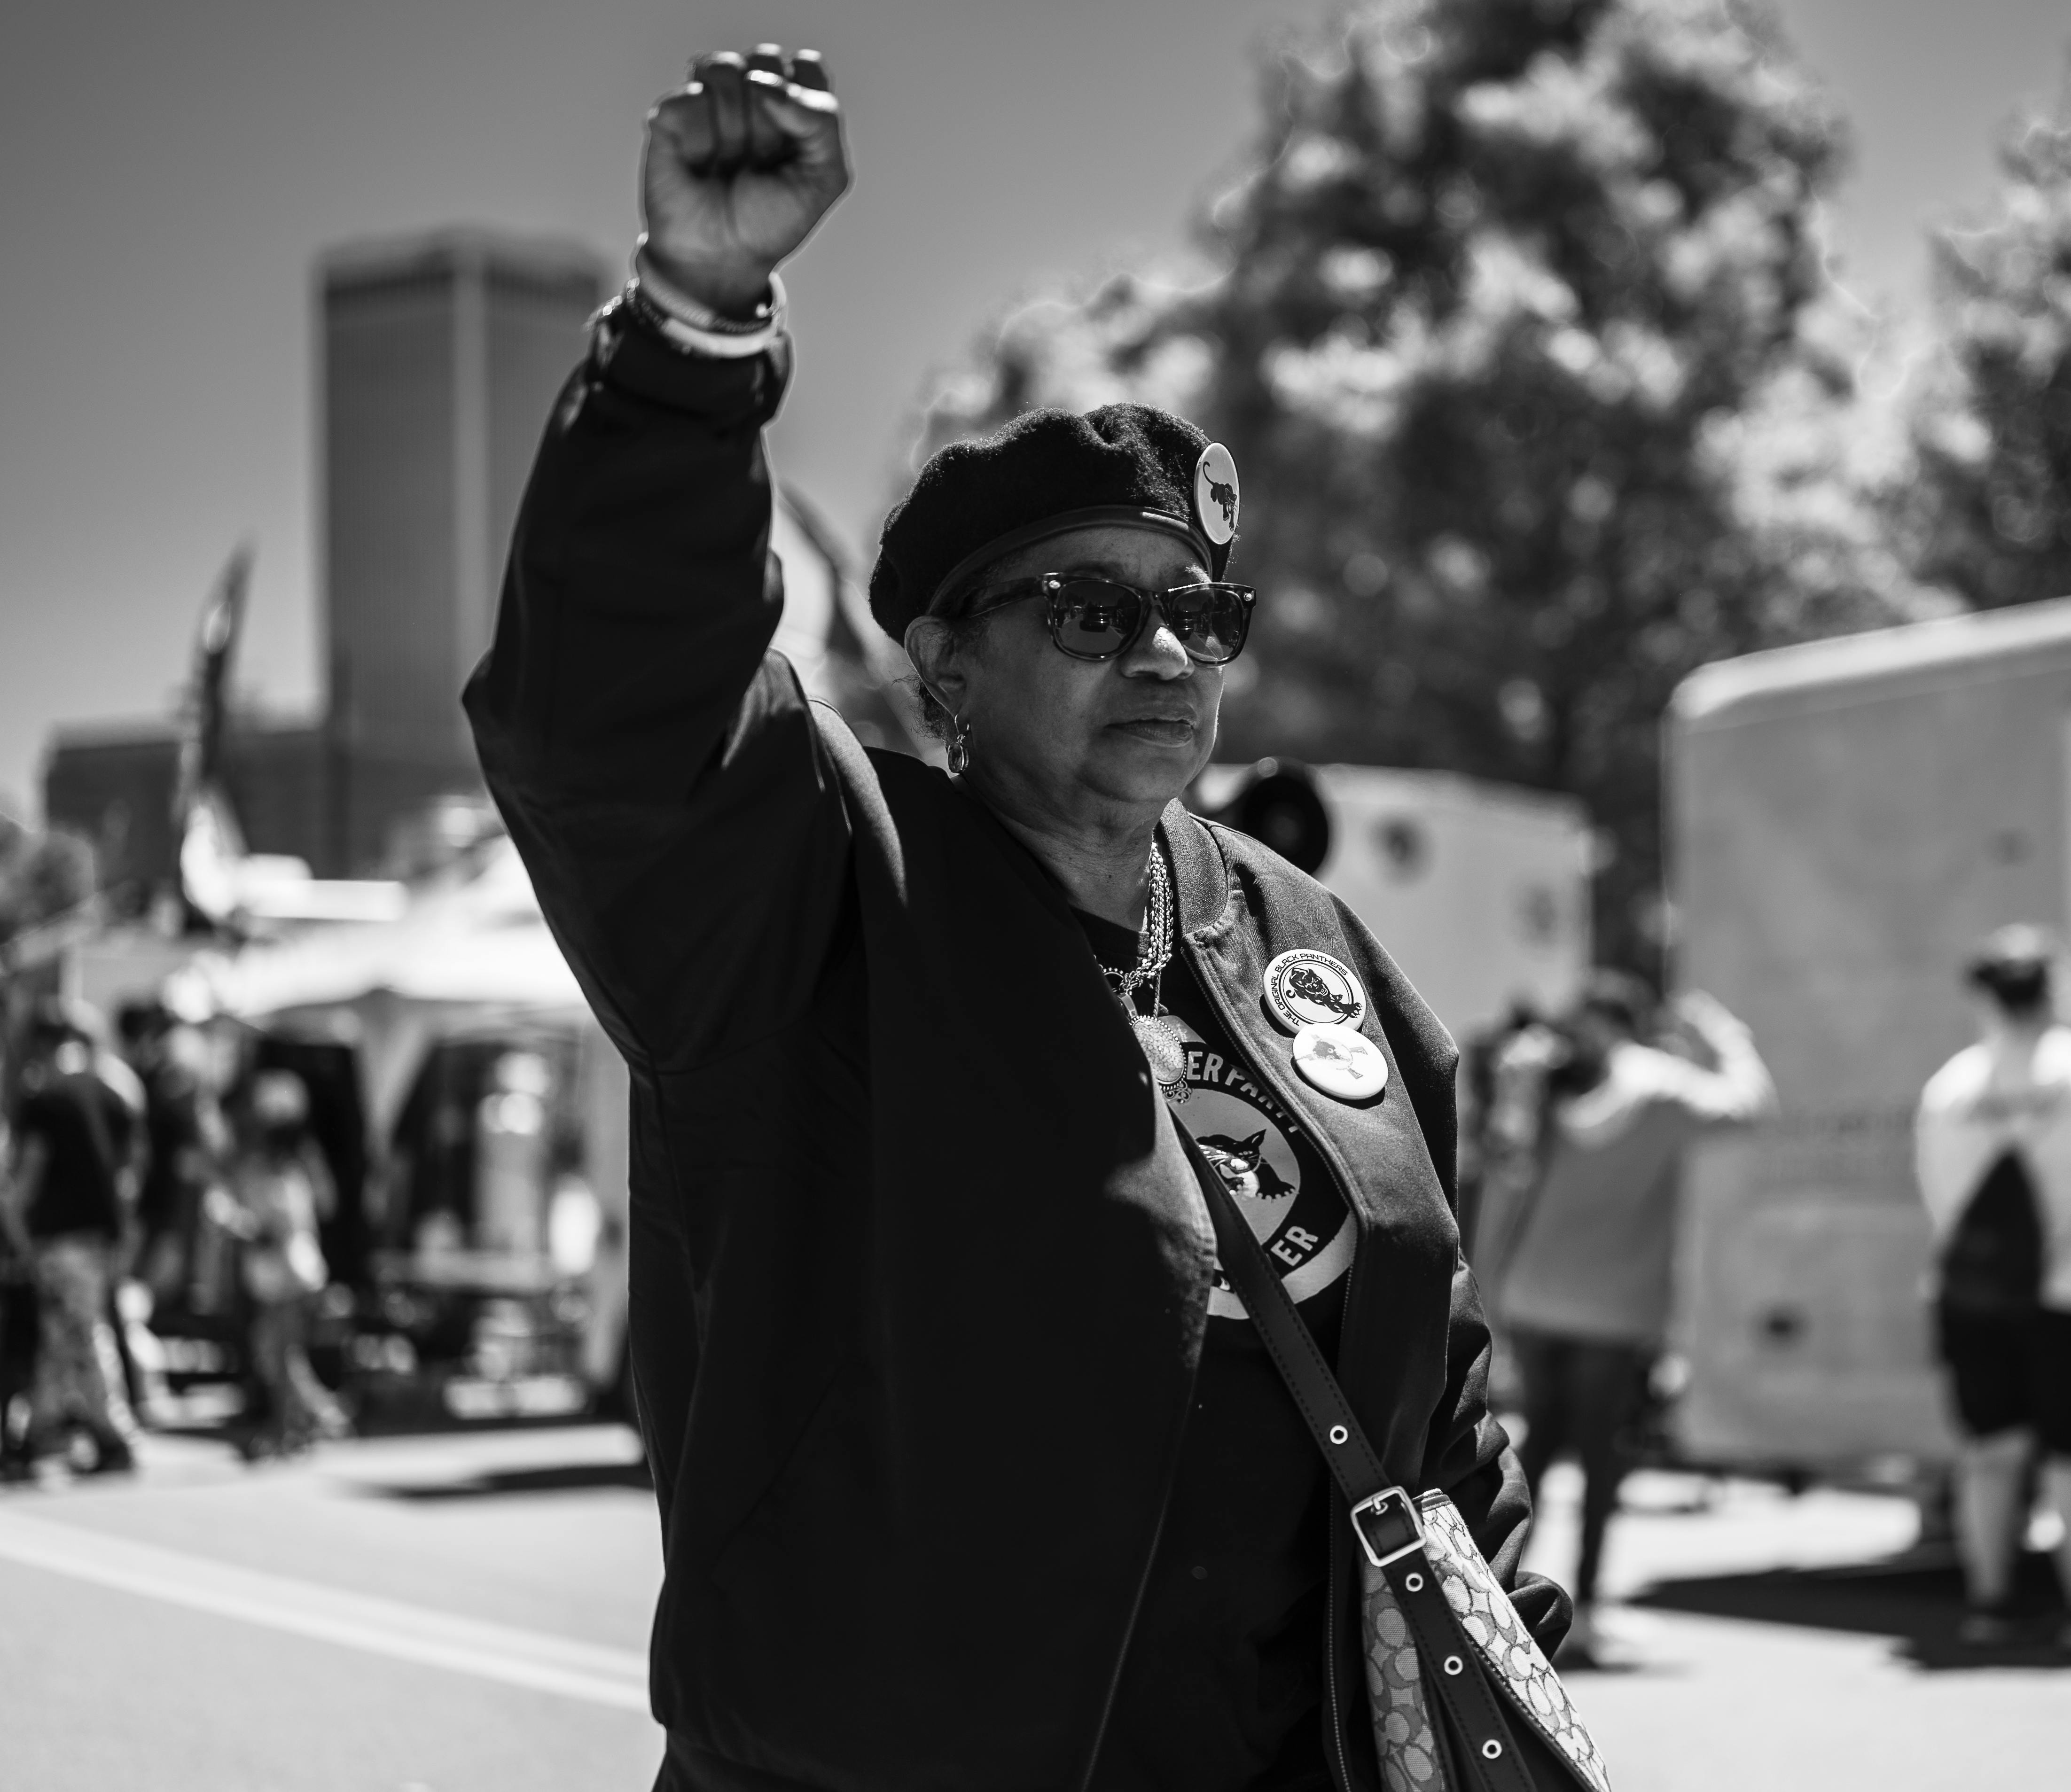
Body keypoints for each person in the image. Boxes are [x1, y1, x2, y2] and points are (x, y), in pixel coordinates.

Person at [462, 46, 1564, 1792]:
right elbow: (609, 714)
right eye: (1089, 609)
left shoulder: (1309, 938)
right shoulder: (822, 888)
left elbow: (1436, 1373)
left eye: (1202, 610)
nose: (1167, 650)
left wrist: (1506, 1647)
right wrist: (694, 324)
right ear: (948, 664)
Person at [1490, 974, 1774, 1661]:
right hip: (1613, 1311)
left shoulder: (1549, 1082)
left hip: (1536, 1295)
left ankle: (1492, 1600)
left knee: (1532, 1452)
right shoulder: (1664, 1088)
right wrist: (1724, 1034)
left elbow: (1505, 1176)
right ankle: (1586, 1611)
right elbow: (1751, 1105)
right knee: (1599, 1459)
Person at [1915, 927, 2071, 1650]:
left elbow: (1938, 1197)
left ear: (1984, 998)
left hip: (1973, 1296)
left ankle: (1990, 1602)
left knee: (1990, 1448)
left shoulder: (1951, 1087)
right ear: (2055, 988)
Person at [1, 1003, 145, 1475]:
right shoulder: (110, 1093)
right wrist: (124, 1232)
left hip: (58, 1237)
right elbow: (128, 1173)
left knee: (82, 1332)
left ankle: (114, 1432)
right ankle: (38, 1431)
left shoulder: (45, 1099)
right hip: (99, 1235)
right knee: (63, 1333)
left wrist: (18, 1234)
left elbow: (26, 1180)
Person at [217, 1071, 348, 1461]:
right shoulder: (292, 1171)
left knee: (278, 1355)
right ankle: (308, 1420)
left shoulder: (279, 1175)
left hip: (287, 1276)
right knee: (281, 1355)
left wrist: (238, 1225)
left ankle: (303, 1421)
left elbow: (273, 1230)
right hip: (291, 1274)